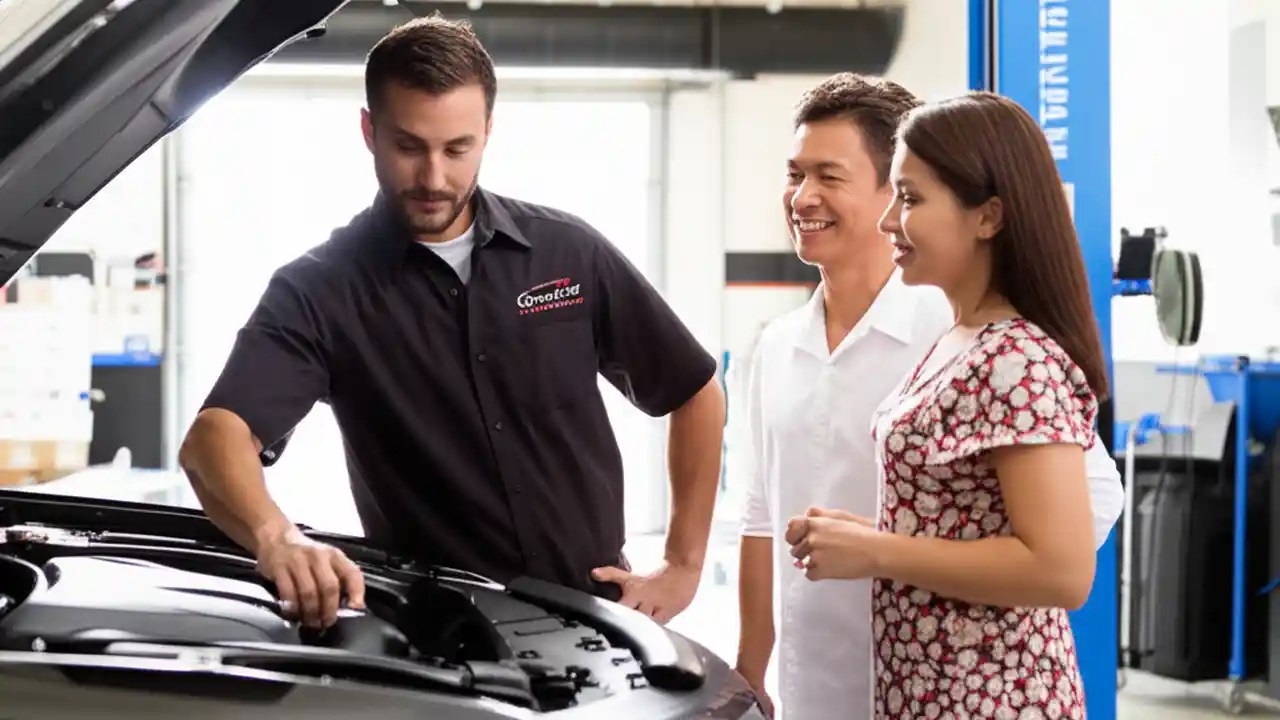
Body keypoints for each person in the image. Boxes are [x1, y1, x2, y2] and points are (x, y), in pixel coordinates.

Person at [179, 15, 725, 631]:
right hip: (443, 641)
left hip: (596, 622)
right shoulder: (320, 291)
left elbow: (695, 391)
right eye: (409, 146)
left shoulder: (569, 254)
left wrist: (682, 564)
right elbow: (215, 438)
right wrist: (277, 537)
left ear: (488, 131)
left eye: (457, 148)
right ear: (369, 131)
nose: (434, 178)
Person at [731, 75, 1123, 719]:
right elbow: (759, 513)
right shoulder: (799, 345)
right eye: (794, 174)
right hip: (883, 682)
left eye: (829, 176)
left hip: (966, 687)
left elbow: (1069, 549)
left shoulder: (993, 349)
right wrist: (753, 664)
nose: (803, 197)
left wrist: (909, 568)